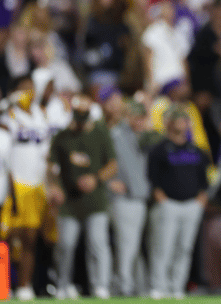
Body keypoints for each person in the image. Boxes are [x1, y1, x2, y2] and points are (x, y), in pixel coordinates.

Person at [48, 94, 117, 299]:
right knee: (66, 244)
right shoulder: (61, 137)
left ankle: (101, 286)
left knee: (98, 244)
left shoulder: (100, 133)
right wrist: (55, 187)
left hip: (95, 200)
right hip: (69, 201)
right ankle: (62, 285)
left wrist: (95, 179)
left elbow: (112, 165)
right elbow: (52, 167)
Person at [147, 105, 210, 299]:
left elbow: (204, 181)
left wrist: (200, 201)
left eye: (184, 120)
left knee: (185, 248)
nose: (182, 123)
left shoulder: (196, 151)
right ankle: (158, 286)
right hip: (169, 204)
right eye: (178, 120)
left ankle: (177, 287)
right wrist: (162, 200)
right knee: (163, 247)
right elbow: (152, 178)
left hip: (192, 205)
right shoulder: (159, 149)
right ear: (169, 123)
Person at [0, 75, 52, 301]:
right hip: (15, 183)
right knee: (7, 238)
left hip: (37, 183)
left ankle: (24, 285)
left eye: (30, 88)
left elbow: (47, 151)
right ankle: (4, 285)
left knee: (31, 237)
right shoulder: (9, 115)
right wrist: (6, 103)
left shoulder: (42, 114)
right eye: (23, 88)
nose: (27, 92)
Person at [107, 99, 159, 296]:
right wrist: (108, 182)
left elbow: (158, 139)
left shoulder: (145, 136)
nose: (139, 121)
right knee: (128, 244)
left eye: (141, 118)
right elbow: (101, 159)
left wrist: (149, 123)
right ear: (128, 117)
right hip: (123, 198)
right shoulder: (116, 135)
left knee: (133, 245)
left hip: (139, 197)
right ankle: (123, 286)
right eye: (135, 117)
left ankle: (138, 286)